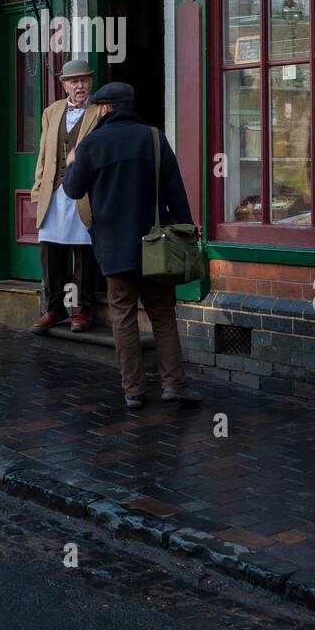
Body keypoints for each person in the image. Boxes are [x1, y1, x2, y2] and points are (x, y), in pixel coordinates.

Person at [63, 81, 202, 410]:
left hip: (114, 247)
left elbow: (72, 190)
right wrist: (187, 235)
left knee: (123, 317)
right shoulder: (154, 138)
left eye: (99, 107)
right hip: (157, 246)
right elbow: (176, 194)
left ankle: (134, 392)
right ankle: (174, 386)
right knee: (163, 316)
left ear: (107, 109)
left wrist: (72, 162)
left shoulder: (92, 144)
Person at [30, 59, 100, 333]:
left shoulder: (100, 111)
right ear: (64, 85)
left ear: (90, 82)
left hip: (84, 193)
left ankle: (83, 311)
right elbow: (44, 155)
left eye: (83, 80)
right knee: (51, 251)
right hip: (53, 192)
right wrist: (37, 188)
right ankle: (54, 307)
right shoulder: (51, 112)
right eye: (73, 81)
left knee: (84, 252)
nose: (79, 85)